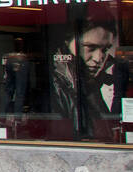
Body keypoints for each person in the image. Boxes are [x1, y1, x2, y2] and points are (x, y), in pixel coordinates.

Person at [51, 9, 129, 142]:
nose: (99, 58)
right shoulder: (57, 85)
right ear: (67, 42)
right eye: (90, 48)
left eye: (104, 50)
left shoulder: (90, 83)